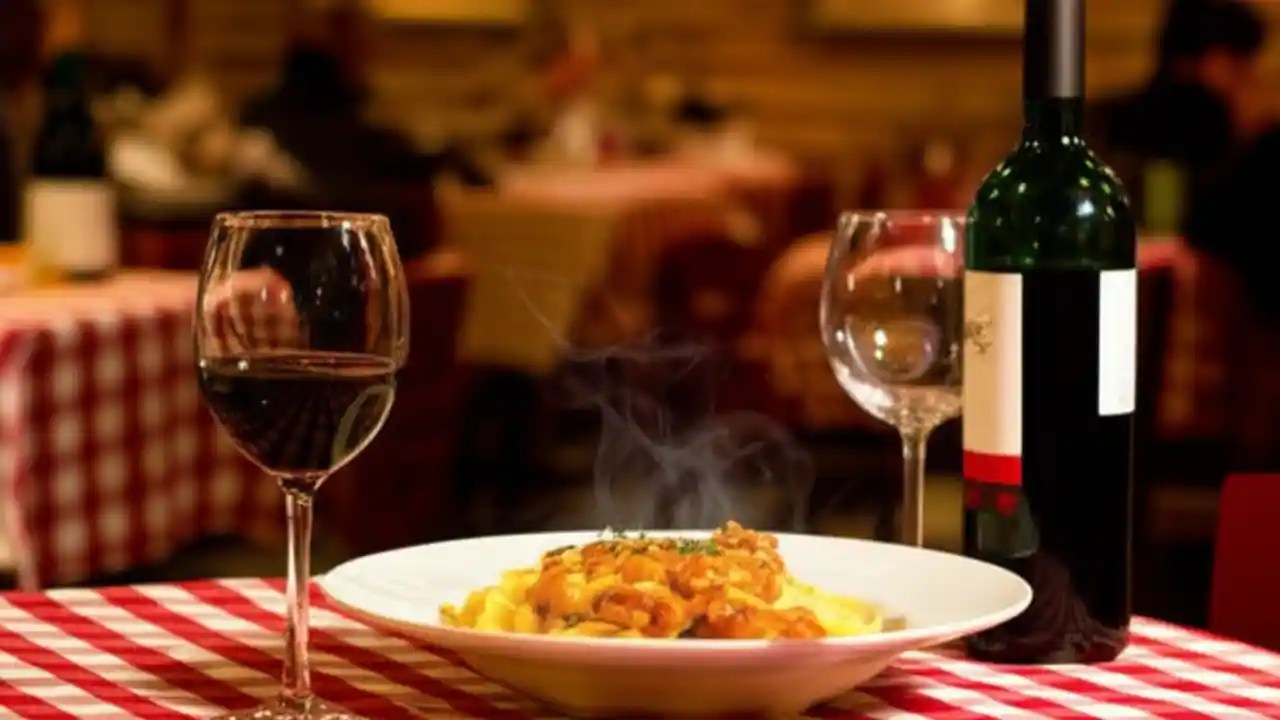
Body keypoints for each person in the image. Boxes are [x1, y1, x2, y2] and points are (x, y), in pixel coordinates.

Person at [1089, 0, 1265, 232]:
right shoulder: (1108, 129)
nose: (1243, 76)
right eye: (1235, 62)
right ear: (1188, 60)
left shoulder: (1236, 136)